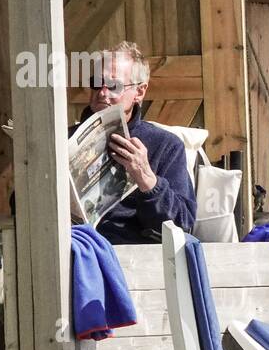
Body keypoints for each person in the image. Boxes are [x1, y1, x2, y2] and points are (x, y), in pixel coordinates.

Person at [74, 42, 196, 244]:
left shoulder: (165, 145)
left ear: (139, 92)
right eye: (97, 83)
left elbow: (183, 222)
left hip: (132, 256)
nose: (102, 93)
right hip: (69, 249)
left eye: (113, 86)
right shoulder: (66, 139)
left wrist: (147, 180)